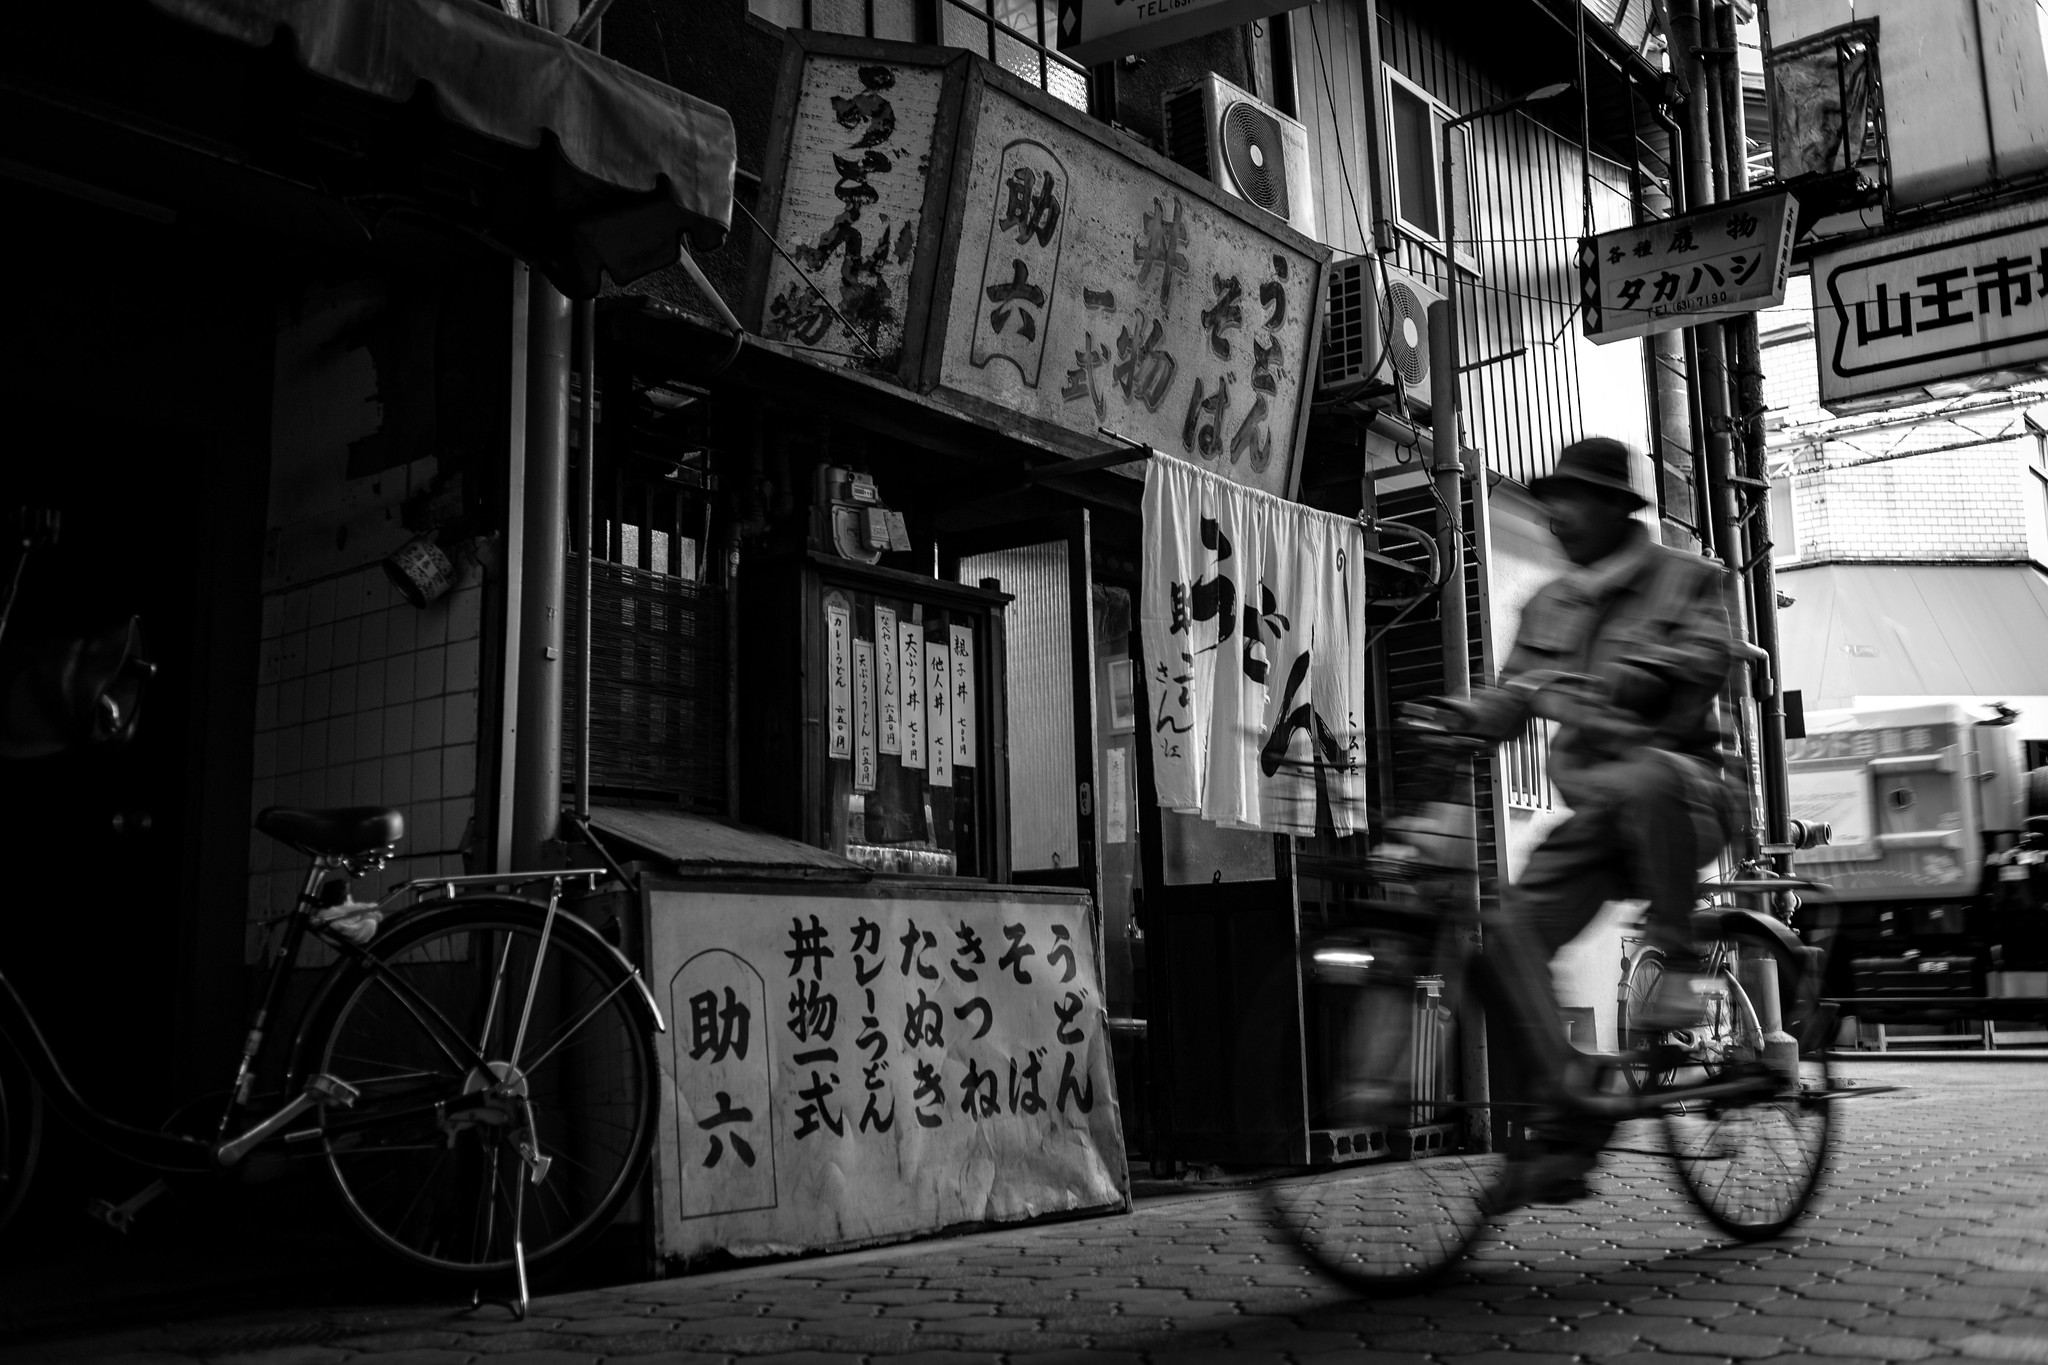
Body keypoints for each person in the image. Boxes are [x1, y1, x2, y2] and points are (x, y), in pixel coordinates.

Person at [1442, 435, 1743, 1199]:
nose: (1555, 518)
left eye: (1571, 499)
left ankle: (1674, 964)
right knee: (1508, 931)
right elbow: (1515, 693)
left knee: (1647, 774)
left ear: (1615, 505)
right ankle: (1576, 1103)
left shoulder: (1690, 577)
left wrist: (1639, 677)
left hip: (1690, 791)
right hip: (1598, 818)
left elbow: (1705, 660)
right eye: (1550, 503)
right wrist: (1470, 714)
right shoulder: (1549, 602)